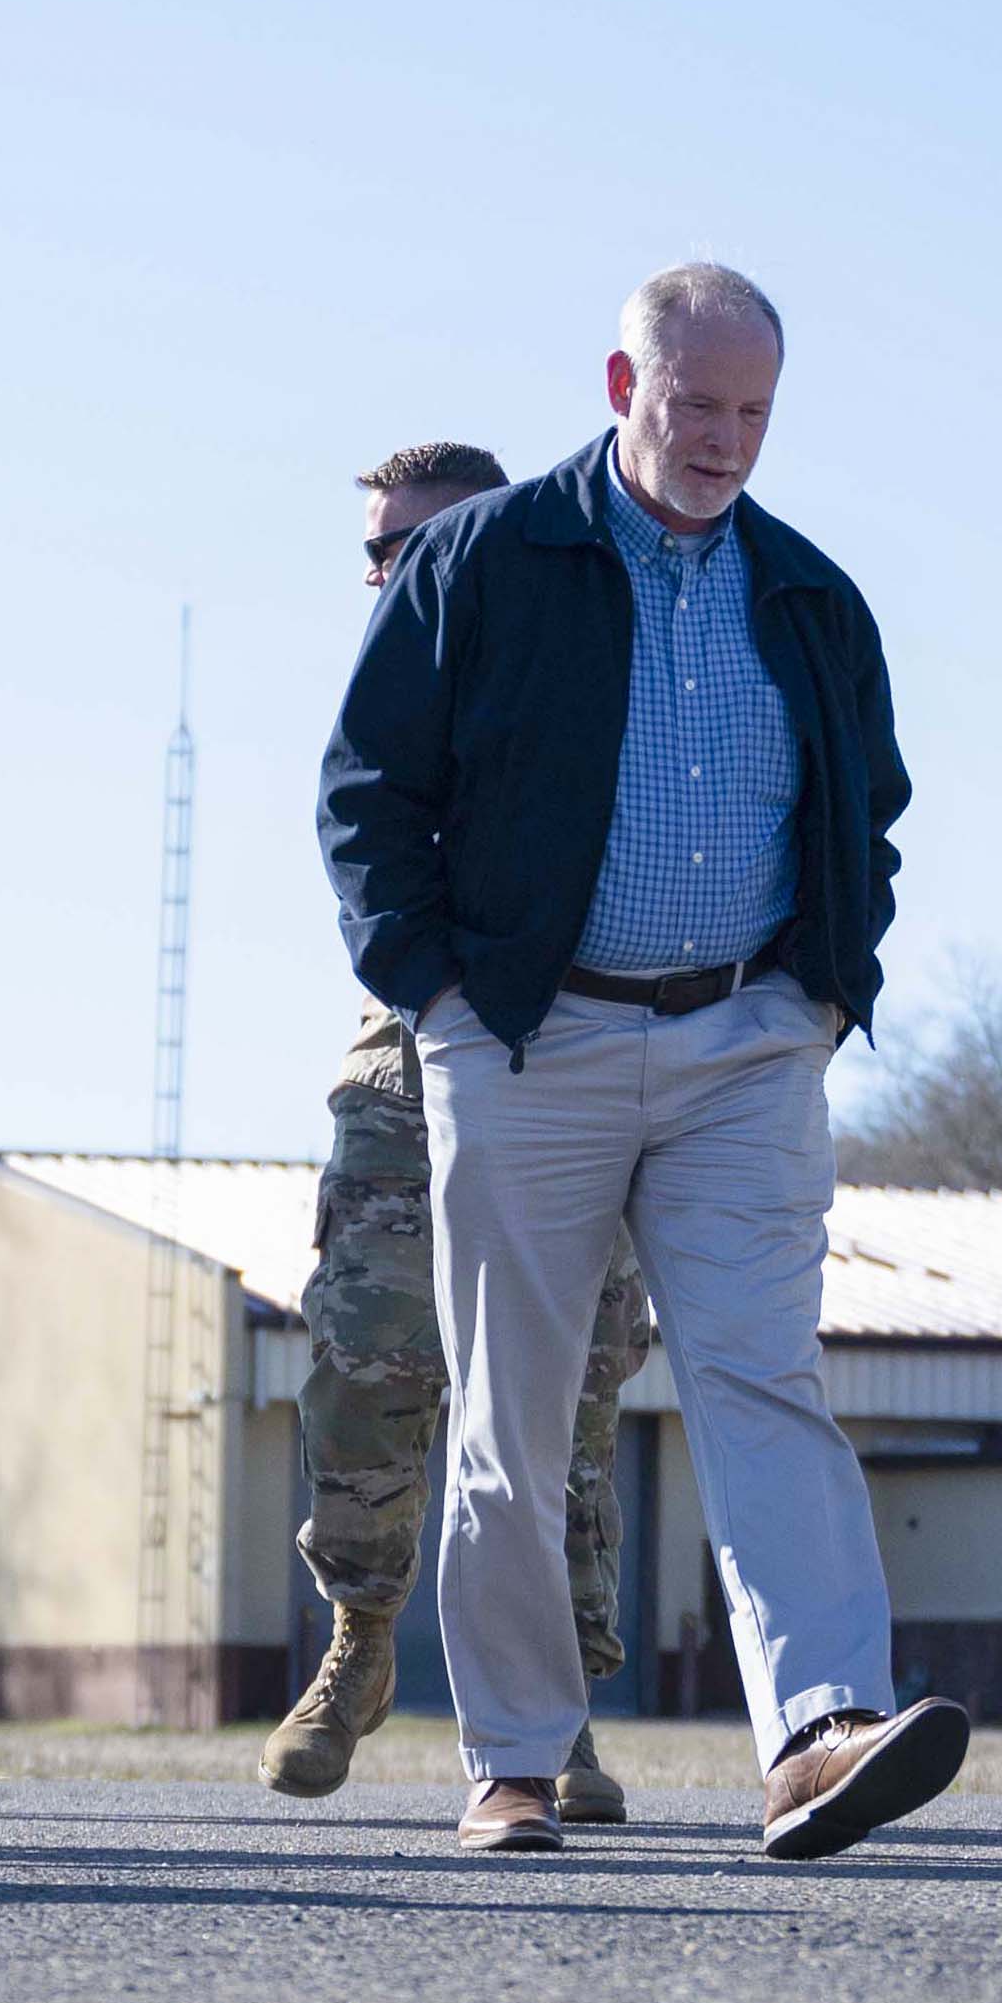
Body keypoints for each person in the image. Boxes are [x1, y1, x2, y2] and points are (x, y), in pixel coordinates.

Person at [321, 263, 961, 1859]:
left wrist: (823, 994)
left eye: (753, 410)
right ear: (623, 387)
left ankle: (817, 1729)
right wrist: (437, 996)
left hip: (748, 1045)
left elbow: (868, 814)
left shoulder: (809, 595)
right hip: (526, 1039)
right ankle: (513, 1760)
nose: (724, 438)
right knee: (513, 1420)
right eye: (694, 404)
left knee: (765, 1382)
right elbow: (366, 790)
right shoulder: (480, 559)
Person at [266, 442, 662, 1817]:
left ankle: (557, 1715)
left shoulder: (580, 662)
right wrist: (434, 993)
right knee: (366, 1353)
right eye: (375, 551)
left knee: (564, 1395)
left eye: (415, 544)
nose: (390, 571)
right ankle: (361, 1641)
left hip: (572, 1053)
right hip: (407, 1058)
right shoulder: (390, 679)